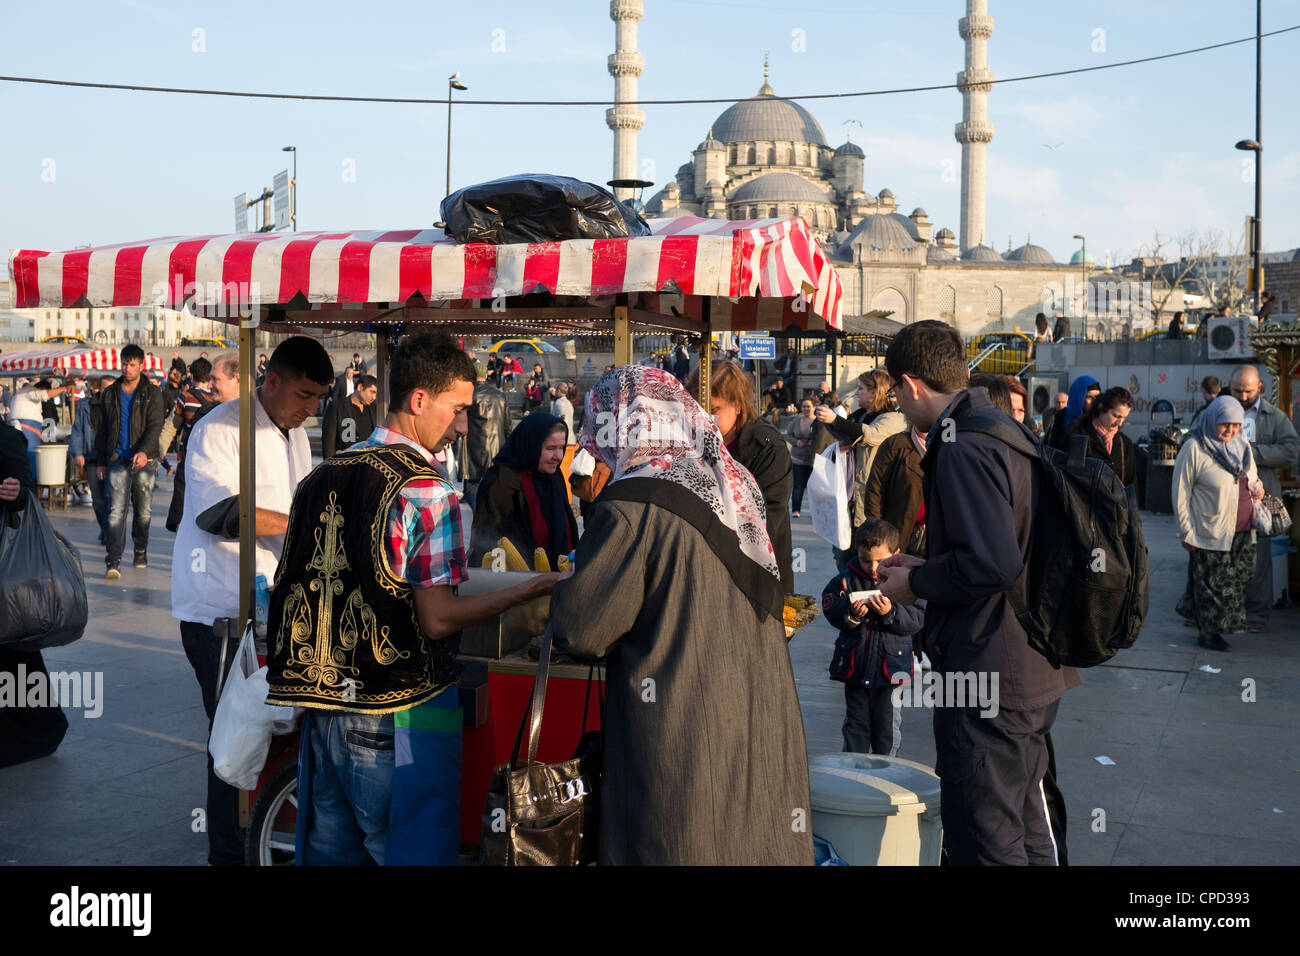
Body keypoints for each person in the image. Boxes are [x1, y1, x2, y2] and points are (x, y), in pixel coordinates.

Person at [267, 332, 559, 865]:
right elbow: (439, 618)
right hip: (398, 716)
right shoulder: (429, 489)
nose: (465, 426)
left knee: (331, 855)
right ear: (420, 401)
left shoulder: (322, 475)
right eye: (459, 408)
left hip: (324, 712)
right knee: (408, 851)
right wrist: (531, 589)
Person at [548, 365, 812, 865]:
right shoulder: (734, 485)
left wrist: (568, 583)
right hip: (760, 721)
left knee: (684, 838)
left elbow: (581, 628)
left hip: (680, 734)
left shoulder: (632, 502)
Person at [875, 320, 1078, 866]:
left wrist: (914, 583)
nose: (897, 401)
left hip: (990, 674)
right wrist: (927, 563)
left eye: (895, 389)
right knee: (1027, 826)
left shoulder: (961, 443)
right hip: (1031, 665)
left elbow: (992, 562)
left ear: (912, 384)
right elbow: (1002, 546)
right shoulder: (1001, 428)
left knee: (985, 837)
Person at [171, 336, 334, 866]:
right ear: (272, 380)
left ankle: (267, 830)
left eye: (318, 399)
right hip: (221, 610)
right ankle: (227, 854)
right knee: (230, 738)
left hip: (273, 606)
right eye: (304, 394)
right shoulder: (219, 427)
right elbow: (218, 512)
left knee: (270, 729)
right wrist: (302, 525)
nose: (311, 408)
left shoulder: (297, 434)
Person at [0, 422, 70, 769]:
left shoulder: (7, 438)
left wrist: (17, 493)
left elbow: (28, 493)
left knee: (13, 654)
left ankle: (40, 729)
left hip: (4, 568)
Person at [825, 519, 924, 756]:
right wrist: (851, 615)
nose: (873, 568)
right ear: (857, 553)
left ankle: (887, 771)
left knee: (887, 727)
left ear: (896, 554)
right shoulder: (845, 580)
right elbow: (830, 606)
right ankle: (854, 771)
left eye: (880, 561)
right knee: (855, 724)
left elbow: (917, 619)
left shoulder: (907, 581)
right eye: (866, 560)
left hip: (891, 668)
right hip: (855, 666)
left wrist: (890, 613)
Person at [1173, 396, 1264, 651]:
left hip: (1245, 528)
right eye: (1225, 424)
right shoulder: (1194, 447)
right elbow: (1180, 493)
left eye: (1236, 425)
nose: (1230, 431)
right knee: (1215, 585)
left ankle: (1203, 618)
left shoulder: (1241, 445)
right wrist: (1186, 532)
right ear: (1212, 420)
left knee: (1242, 576)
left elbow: (1252, 475)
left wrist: (1258, 488)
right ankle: (1208, 632)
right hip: (1210, 530)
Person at [694, 361, 794, 592]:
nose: (705, 416)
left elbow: (768, 517)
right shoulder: (694, 441)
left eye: (715, 408)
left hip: (755, 575)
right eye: (698, 408)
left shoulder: (767, 447)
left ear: (738, 406)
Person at [1229, 365, 1300, 632]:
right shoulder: (1221, 410)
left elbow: (1291, 449)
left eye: (1248, 391)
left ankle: (1258, 612)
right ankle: (1224, 608)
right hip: (1227, 496)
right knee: (1226, 554)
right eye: (1237, 390)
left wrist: (1253, 454)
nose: (1243, 396)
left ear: (1260, 388)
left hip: (1260, 495)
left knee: (1259, 557)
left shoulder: (1274, 416)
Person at [814, 369, 906, 572]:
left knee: (865, 567)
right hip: (849, 503)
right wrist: (826, 420)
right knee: (844, 562)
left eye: (861, 388)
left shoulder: (893, 419)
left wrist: (835, 420)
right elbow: (847, 433)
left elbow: (870, 435)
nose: (857, 393)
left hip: (870, 508)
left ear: (875, 392)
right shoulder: (861, 415)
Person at [468, 412, 578, 569]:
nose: (558, 456)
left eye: (562, 447)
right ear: (531, 445)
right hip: (518, 585)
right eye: (551, 448)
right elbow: (487, 544)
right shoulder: (500, 482)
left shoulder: (553, 476)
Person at [96, 345, 165, 578]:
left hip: (146, 460)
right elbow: (102, 430)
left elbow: (155, 426)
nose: (127, 368)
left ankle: (140, 550)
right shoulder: (110, 393)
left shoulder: (153, 393)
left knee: (143, 511)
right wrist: (102, 462)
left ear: (141, 365)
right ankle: (113, 561)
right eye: (124, 363)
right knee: (115, 511)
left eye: (132, 364)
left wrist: (145, 451)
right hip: (117, 458)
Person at [162, 355, 234, 533]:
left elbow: (172, 425)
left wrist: (161, 449)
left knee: (184, 509)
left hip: (187, 461)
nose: (211, 385)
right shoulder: (217, 399)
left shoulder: (185, 397)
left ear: (192, 376)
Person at [862, 420, 927, 558]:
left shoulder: (951, 445)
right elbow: (875, 488)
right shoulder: (896, 444)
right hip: (898, 531)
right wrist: (878, 530)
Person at [68, 375, 112, 543]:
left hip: (113, 459)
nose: (108, 391)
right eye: (105, 387)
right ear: (98, 388)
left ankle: (110, 532)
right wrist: (77, 453)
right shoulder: (85, 406)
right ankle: (105, 528)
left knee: (112, 499)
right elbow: (77, 431)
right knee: (99, 500)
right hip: (92, 458)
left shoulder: (119, 406)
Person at [464, 364, 510, 511]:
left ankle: (478, 516)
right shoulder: (500, 395)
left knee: (472, 485)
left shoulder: (470, 395)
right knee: (494, 485)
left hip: (475, 447)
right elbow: (507, 424)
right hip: (498, 446)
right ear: (486, 375)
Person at [1069, 386, 1137, 486]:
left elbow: (1131, 484)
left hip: (1115, 501)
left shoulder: (1124, 443)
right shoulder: (1079, 435)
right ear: (1102, 408)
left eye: (1124, 417)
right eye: (1116, 416)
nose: (1120, 422)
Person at [9, 376, 71, 474]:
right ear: (42, 388)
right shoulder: (30, 392)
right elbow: (45, 395)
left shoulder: (25, 393)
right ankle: (31, 482)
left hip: (31, 429)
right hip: (27, 428)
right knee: (31, 458)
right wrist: (65, 387)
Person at [321, 373, 379, 458]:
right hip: (344, 464)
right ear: (360, 387)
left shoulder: (375, 409)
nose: (374, 397)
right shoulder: (336, 407)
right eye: (372, 392)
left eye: (376, 394)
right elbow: (328, 443)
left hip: (368, 466)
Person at [1046, 375, 1100, 452]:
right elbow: (1054, 444)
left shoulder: (1099, 416)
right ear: (1079, 396)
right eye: (1090, 397)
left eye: (1097, 396)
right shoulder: (1063, 415)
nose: (1094, 401)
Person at [787, 396, 817, 517]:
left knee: (813, 488)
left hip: (813, 460)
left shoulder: (818, 422)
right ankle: (796, 510)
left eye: (808, 406)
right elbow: (788, 435)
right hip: (798, 458)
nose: (806, 409)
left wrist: (813, 442)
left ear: (814, 407)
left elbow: (824, 437)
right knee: (798, 486)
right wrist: (796, 442)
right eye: (804, 406)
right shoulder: (796, 421)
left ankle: (814, 512)